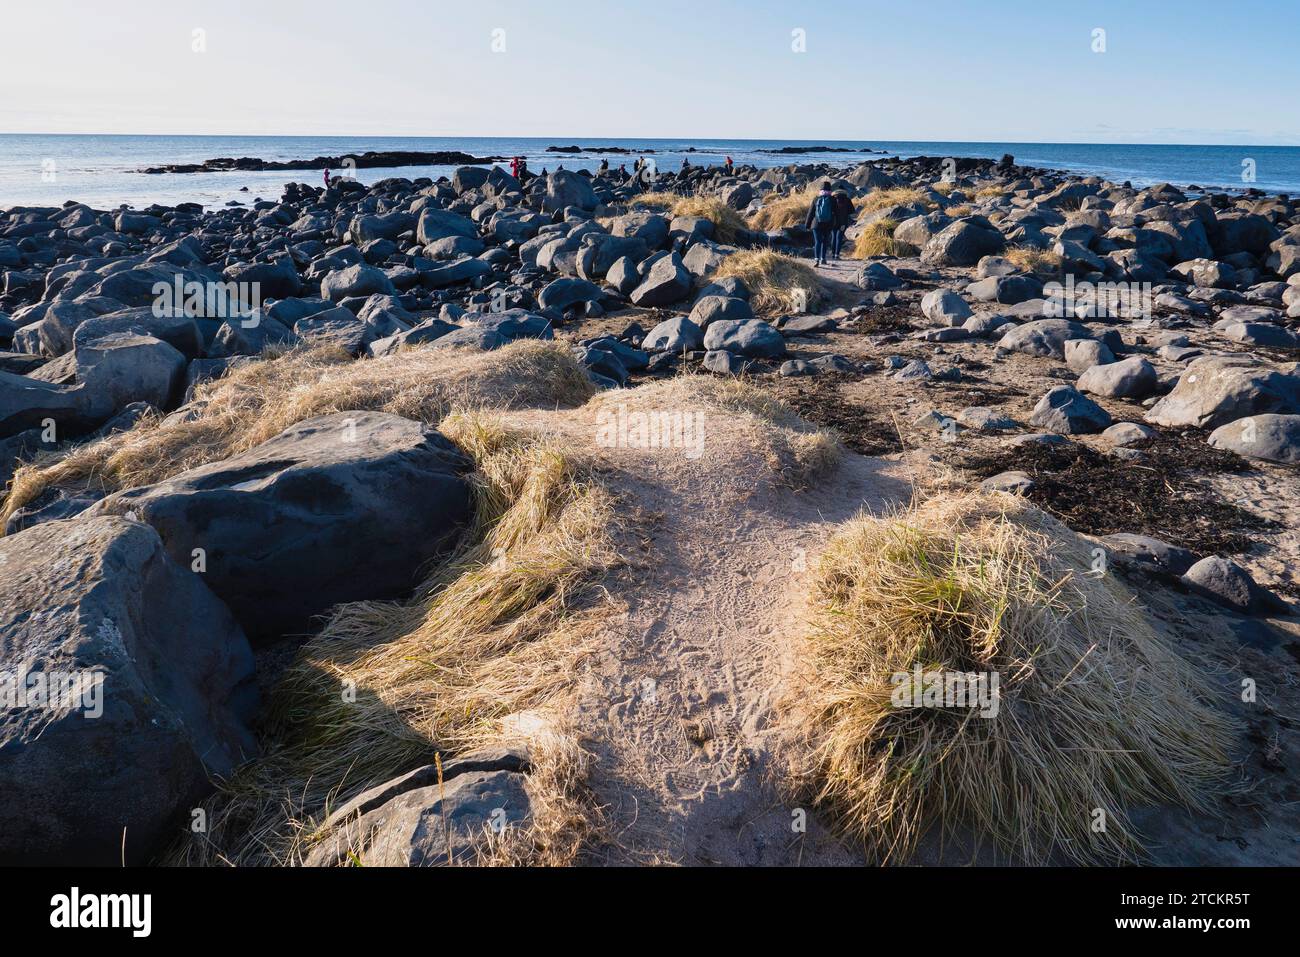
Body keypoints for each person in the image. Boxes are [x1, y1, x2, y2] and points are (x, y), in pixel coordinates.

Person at [804, 181, 836, 266]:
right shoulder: (833, 199)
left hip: (816, 224)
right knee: (825, 241)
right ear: (830, 190)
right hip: (828, 224)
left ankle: (816, 259)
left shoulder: (816, 199)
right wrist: (835, 224)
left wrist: (807, 225)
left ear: (821, 189)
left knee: (817, 241)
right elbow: (836, 213)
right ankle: (823, 259)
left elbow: (810, 213)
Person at [831, 188, 854, 260]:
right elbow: (852, 211)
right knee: (839, 238)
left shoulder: (832, 199)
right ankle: (837, 255)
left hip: (833, 222)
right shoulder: (847, 199)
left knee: (833, 237)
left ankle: (832, 254)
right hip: (843, 222)